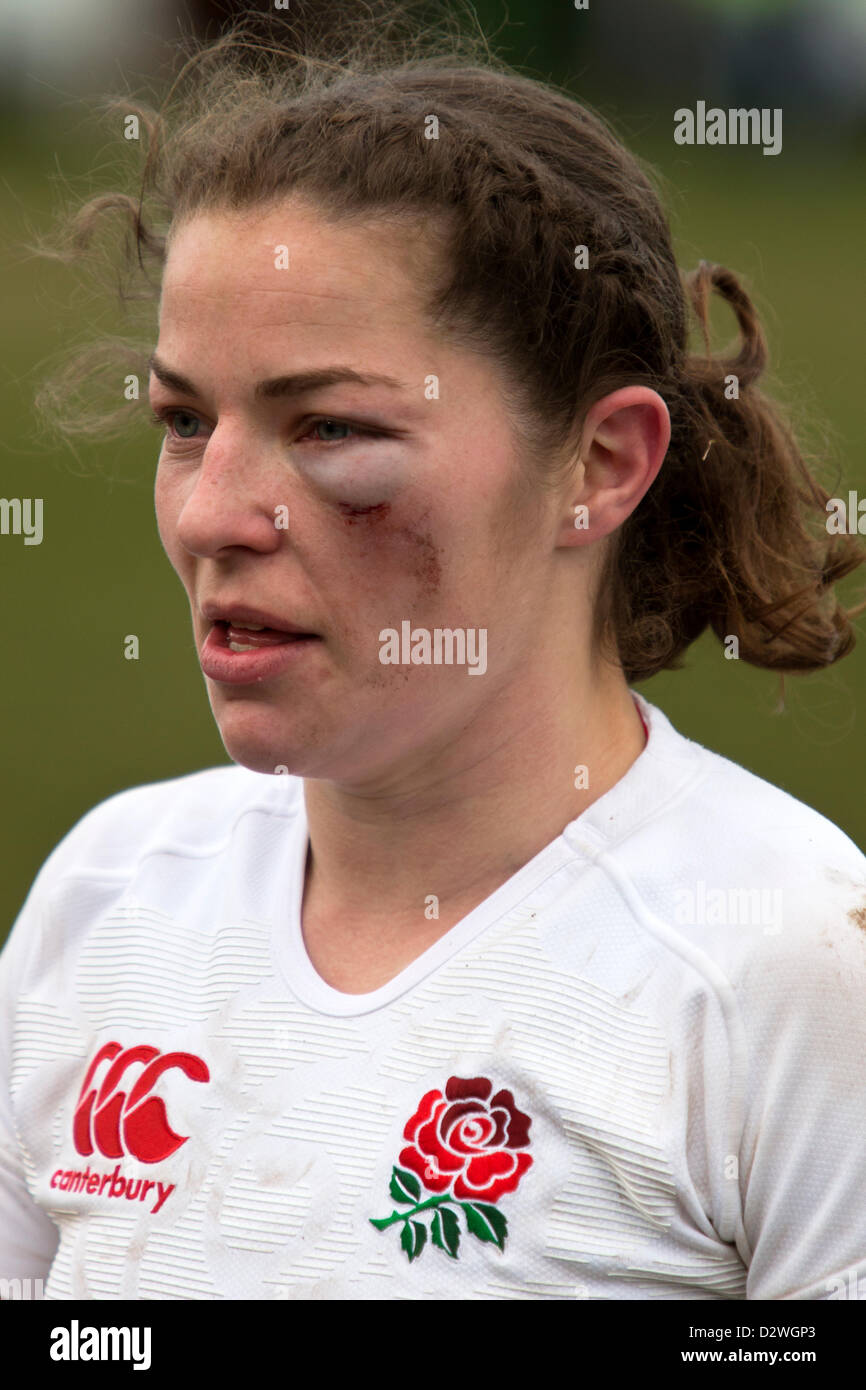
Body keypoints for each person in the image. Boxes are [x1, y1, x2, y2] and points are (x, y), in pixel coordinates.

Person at [2, 9, 865, 1301]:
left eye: (333, 427)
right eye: (187, 419)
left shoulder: (787, 962)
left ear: (599, 462)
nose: (210, 514)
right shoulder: (109, 896)